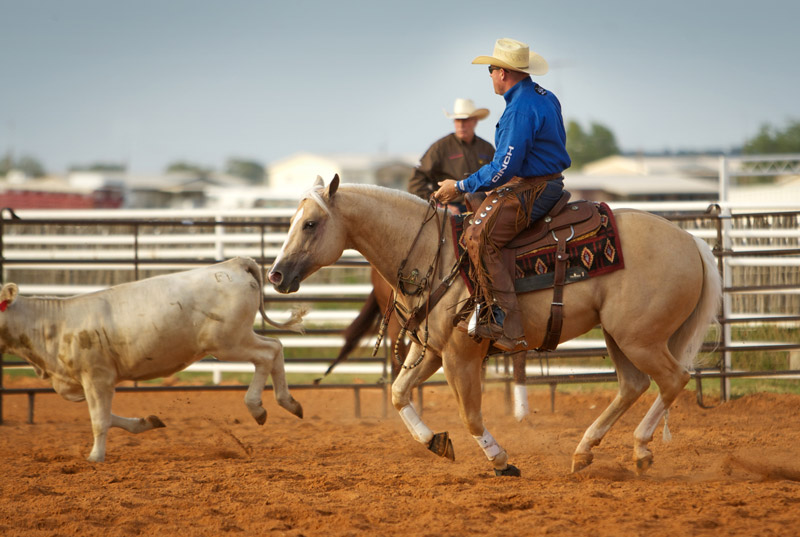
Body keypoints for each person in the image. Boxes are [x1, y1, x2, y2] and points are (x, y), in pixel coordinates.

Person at [433, 37, 571, 352]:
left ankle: (507, 321)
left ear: (504, 73)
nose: (491, 76)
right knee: (477, 214)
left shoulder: (520, 109)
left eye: (492, 70)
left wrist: (459, 185)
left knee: (478, 237)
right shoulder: (544, 96)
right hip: (542, 182)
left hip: (532, 187)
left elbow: (502, 168)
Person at [408, 98, 495, 212]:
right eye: (457, 120)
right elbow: (415, 181)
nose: (461, 125)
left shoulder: (487, 148)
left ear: (475, 121)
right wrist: (440, 206)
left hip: (483, 207)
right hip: (451, 211)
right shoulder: (440, 147)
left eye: (465, 120)